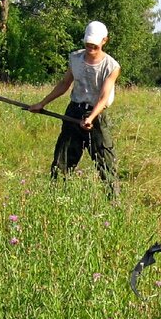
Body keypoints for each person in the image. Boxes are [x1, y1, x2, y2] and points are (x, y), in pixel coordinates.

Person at [30, 20, 122, 195]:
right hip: (74, 112)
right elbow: (64, 84)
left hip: (96, 115)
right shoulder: (75, 58)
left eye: (94, 44)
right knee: (62, 160)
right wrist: (42, 103)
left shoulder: (111, 66)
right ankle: (55, 197)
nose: (90, 47)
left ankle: (113, 203)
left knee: (106, 161)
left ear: (105, 41)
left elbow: (103, 97)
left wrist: (91, 117)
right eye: (88, 44)